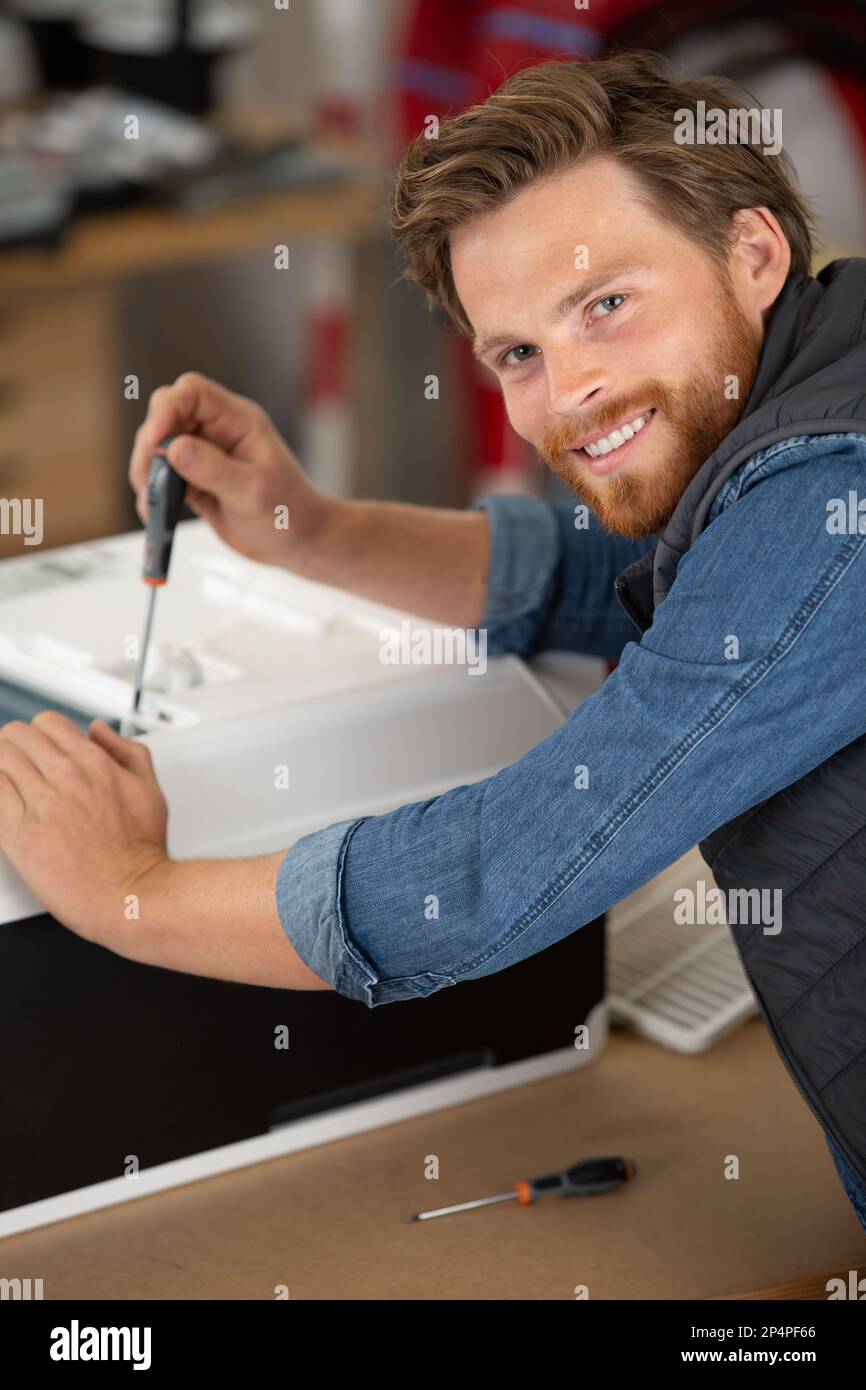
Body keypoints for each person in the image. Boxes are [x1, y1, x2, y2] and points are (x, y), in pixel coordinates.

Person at [1, 52, 865, 1230]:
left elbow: (505, 862)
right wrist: (312, 528)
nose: (569, 395)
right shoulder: (806, 393)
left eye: (604, 304)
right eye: (517, 353)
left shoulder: (830, 499)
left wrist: (126, 893)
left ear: (751, 254)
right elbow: (610, 569)